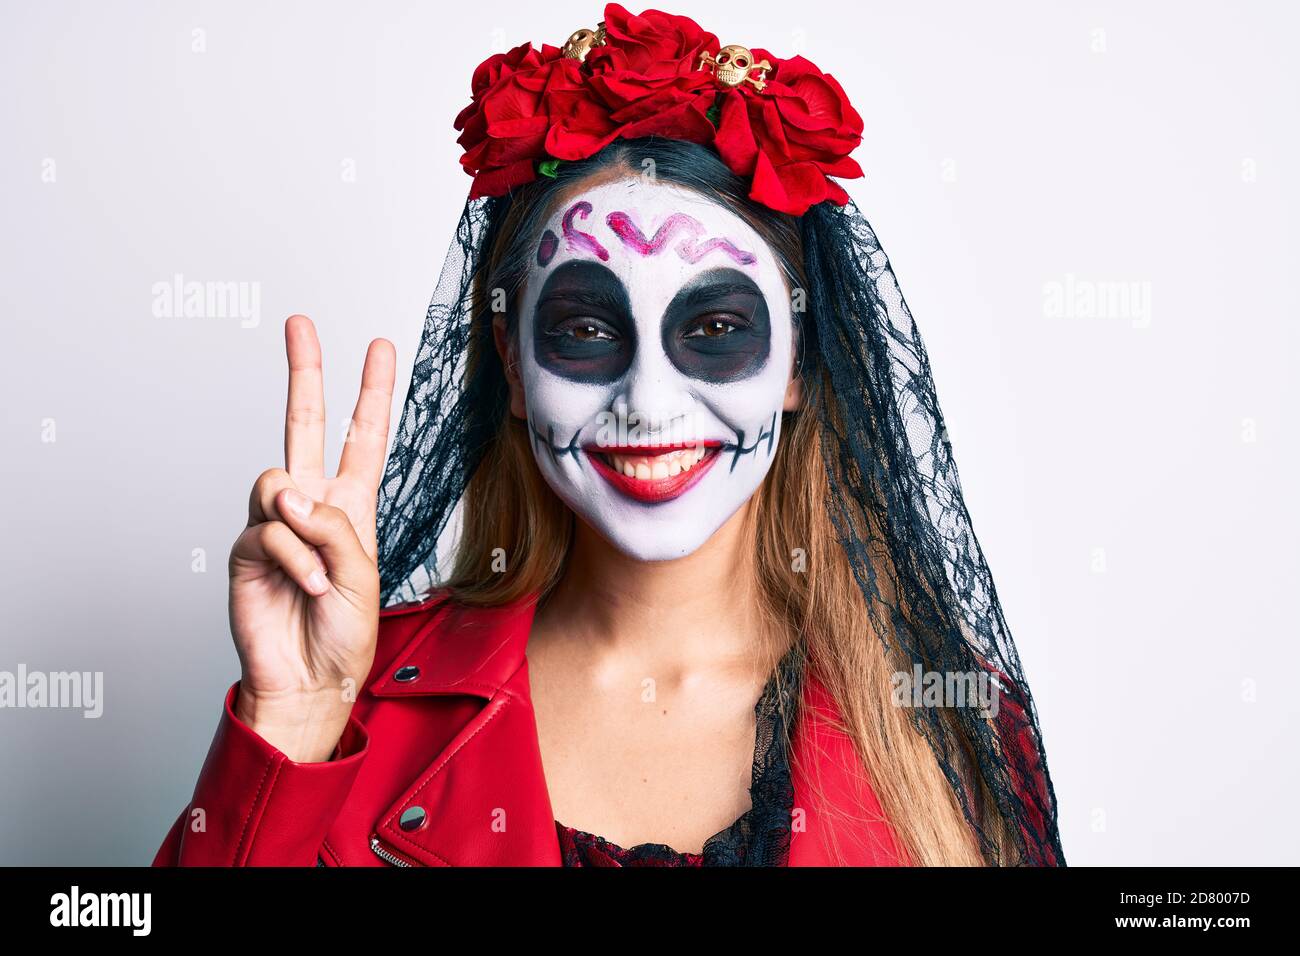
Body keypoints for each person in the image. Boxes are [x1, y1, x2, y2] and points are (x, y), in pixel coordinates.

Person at [154, 4, 1063, 867]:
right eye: (587, 332)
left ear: (795, 362)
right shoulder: (353, 707)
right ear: (512, 364)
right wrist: (293, 730)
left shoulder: (952, 724)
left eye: (713, 331)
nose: (649, 402)